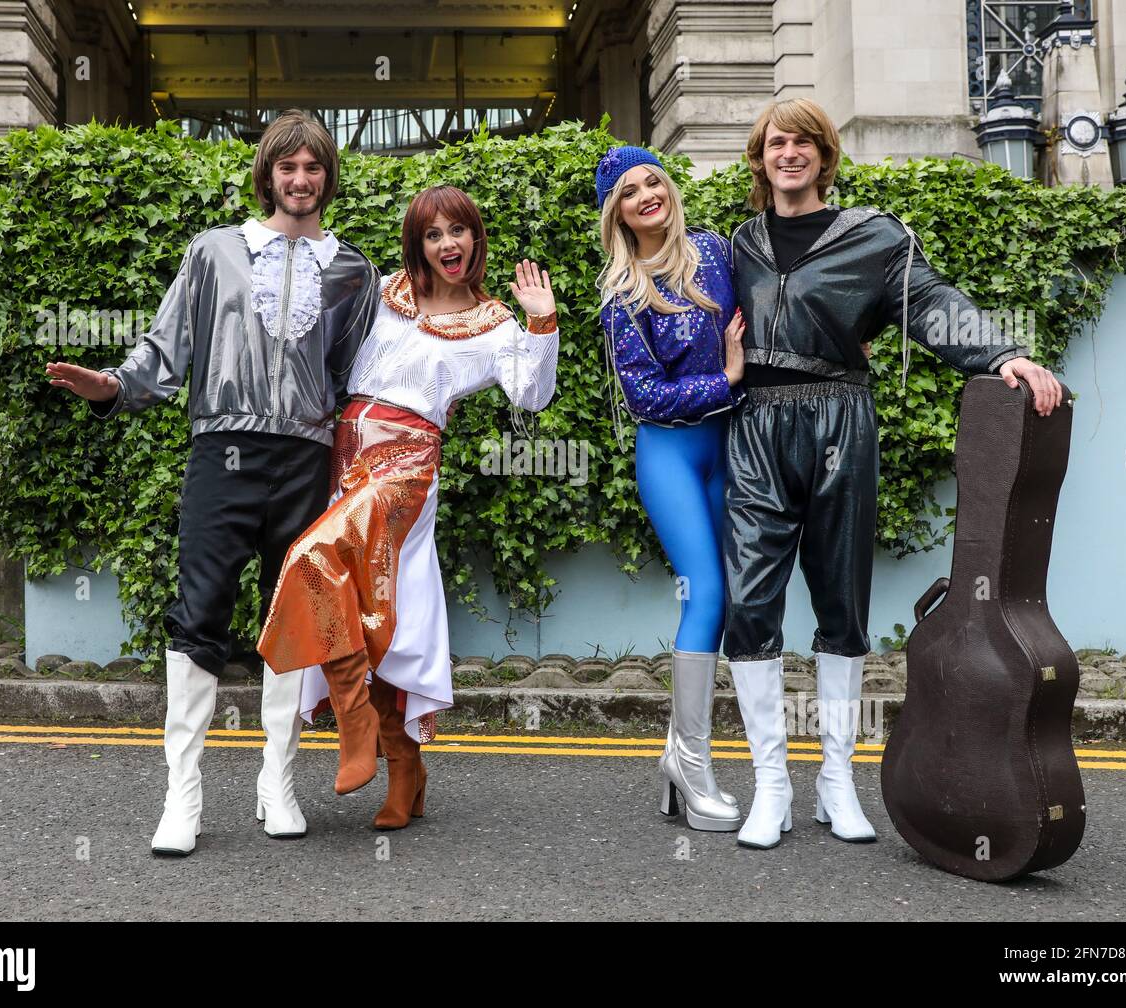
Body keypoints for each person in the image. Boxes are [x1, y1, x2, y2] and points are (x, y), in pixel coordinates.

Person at [726, 97, 1063, 850]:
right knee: (750, 603)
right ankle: (771, 785)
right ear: (760, 157)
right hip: (755, 427)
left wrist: (1000, 353)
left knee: (841, 601)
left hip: (840, 419)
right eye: (777, 142)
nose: (789, 153)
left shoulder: (874, 237)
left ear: (824, 155)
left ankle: (836, 782)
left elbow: (934, 303)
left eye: (804, 142)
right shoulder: (735, 246)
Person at [46, 110, 380, 856]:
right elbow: (165, 349)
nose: (300, 179)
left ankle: (277, 784)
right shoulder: (215, 252)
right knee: (198, 614)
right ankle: (182, 797)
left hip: (307, 459)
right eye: (287, 167)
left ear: (328, 177)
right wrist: (109, 385)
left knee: (290, 618)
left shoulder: (355, 270)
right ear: (269, 174)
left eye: (313, 167)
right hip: (221, 451)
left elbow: (360, 380)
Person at [256, 185, 559, 829]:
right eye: (432, 234)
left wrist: (541, 319)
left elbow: (531, 396)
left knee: (312, 557)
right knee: (371, 610)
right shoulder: (386, 293)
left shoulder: (494, 321)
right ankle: (405, 767)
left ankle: (356, 721)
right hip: (345, 458)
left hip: (406, 465)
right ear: (416, 244)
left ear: (476, 238)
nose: (448, 244)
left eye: (459, 231)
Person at [594, 147, 747, 832]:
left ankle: (674, 763)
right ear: (617, 213)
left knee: (732, 595)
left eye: (653, 179)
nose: (647, 194)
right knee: (704, 591)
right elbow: (646, 395)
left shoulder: (715, 252)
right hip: (670, 456)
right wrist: (729, 380)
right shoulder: (622, 293)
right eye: (630, 191)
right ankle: (694, 764)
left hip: (729, 450)